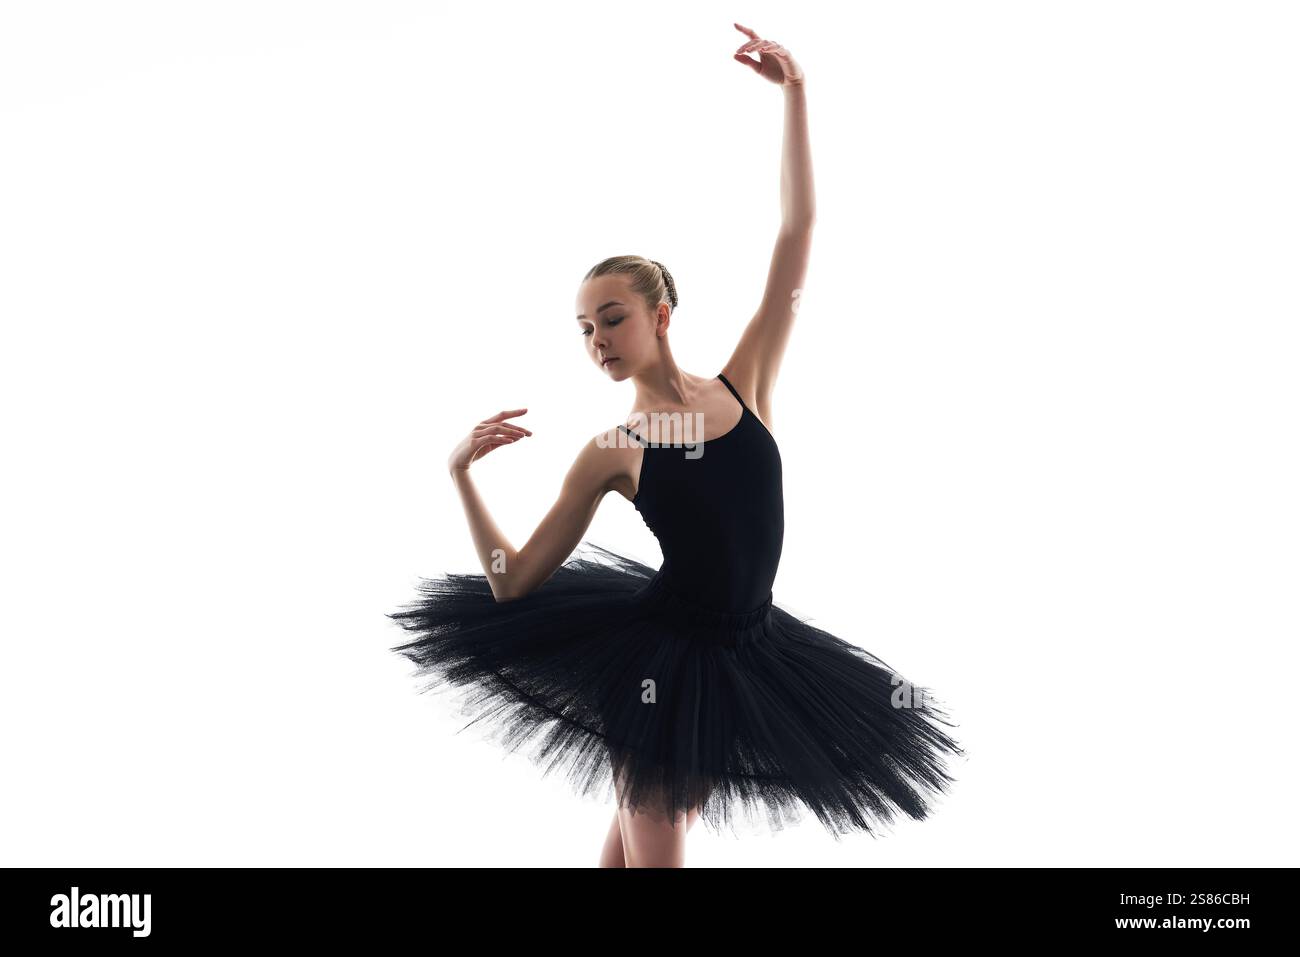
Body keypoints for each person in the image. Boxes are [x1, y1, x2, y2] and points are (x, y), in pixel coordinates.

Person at [388, 24, 963, 868]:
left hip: (753, 653)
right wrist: (460, 477)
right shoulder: (613, 449)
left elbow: (797, 233)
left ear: (660, 315)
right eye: (585, 329)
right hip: (660, 670)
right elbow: (512, 585)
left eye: (611, 318)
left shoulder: (746, 383)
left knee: (630, 856)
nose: (597, 339)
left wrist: (796, 95)